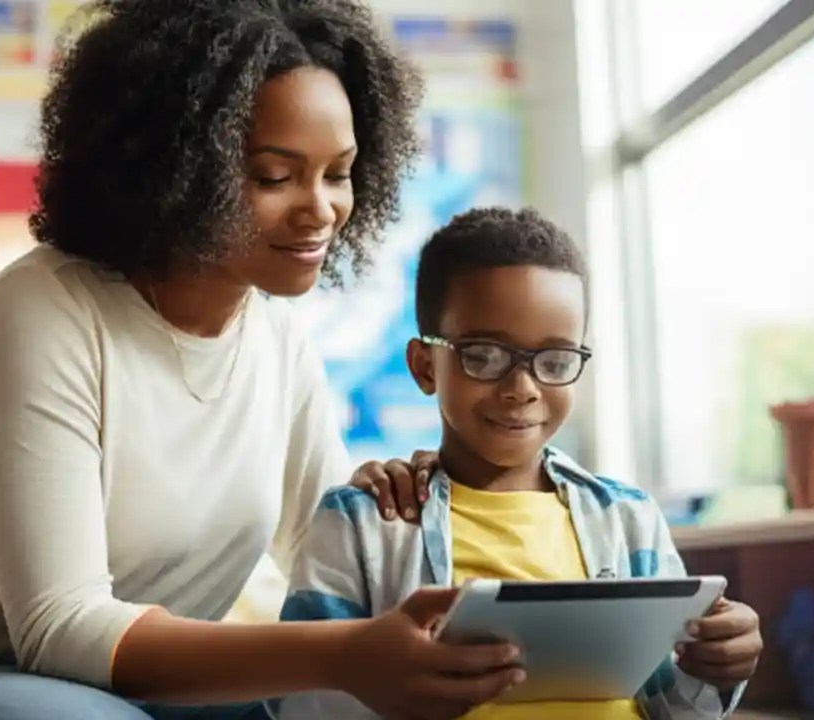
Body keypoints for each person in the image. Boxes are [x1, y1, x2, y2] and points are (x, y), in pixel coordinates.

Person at [0, 2, 511, 719]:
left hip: (140, 697)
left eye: (338, 174)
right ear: (176, 168)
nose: (321, 210)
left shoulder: (275, 336)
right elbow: (60, 627)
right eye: (276, 177)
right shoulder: (43, 309)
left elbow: (322, 548)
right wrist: (343, 654)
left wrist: (393, 512)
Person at [275, 207, 764, 719]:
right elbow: (302, 702)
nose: (522, 389)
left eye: (554, 362)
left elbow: (674, 707)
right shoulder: (363, 523)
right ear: (425, 365)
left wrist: (712, 670)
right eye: (483, 356)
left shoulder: (629, 521)